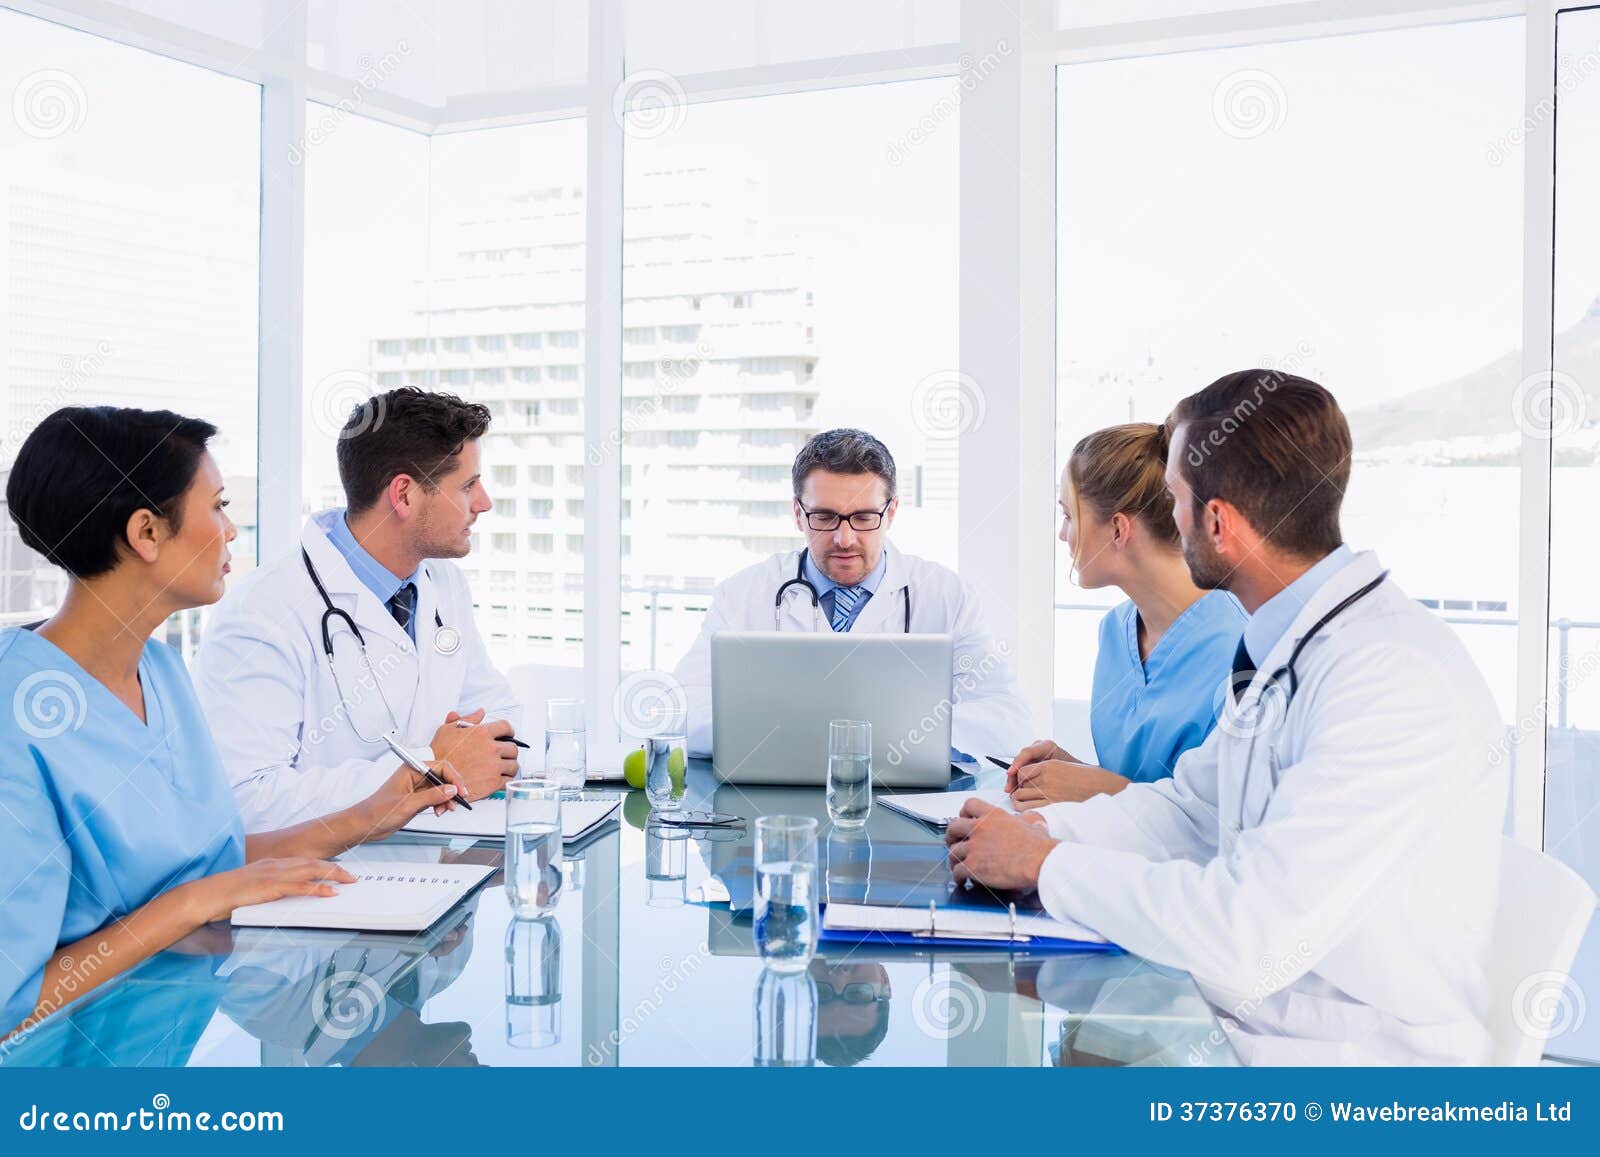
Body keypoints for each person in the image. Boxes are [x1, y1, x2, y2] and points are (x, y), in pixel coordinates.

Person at [945, 370, 1508, 1065]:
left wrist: (1048, 863)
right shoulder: (1286, 644)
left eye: (1175, 499)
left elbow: (1250, 937)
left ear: (1217, 521)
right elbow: (1188, 810)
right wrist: (1040, 829)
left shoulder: (1389, 678)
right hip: (1249, 1027)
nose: (1169, 518)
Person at [0, 407, 461, 1040]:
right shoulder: (16, 717)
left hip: (165, 1039)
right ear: (146, 533)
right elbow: (13, 1006)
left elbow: (212, 865)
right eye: (216, 507)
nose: (232, 530)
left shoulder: (161, 672)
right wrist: (194, 903)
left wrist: (369, 816)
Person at [193, 388, 524, 832]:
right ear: (403, 495)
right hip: (325, 882)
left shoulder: (442, 583)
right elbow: (245, 800)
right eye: (467, 485)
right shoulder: (261, 614)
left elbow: (497, 712)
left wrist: (466, 757)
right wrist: (431, 766)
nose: (484, 502)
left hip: (439, 863)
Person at [675, 428, 1034, 759]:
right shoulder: (741, 595)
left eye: (863, 518)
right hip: (772, 804)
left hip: (907, 802)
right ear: (798, 515)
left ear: (891, 512)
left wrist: (879, 733)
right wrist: (799, 731)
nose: (844, 539)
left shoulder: (947, 596)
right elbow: (681, 710)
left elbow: (1006, 720)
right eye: (825, 517)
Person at [1006, 423, 1244, 807]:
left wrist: (1098, 789)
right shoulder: (1116, 631)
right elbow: (1137, 788)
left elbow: (1225, 821)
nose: (1063, 535)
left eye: (1068, 516)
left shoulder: (1239, 647)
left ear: (1118, 530)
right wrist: (1076, 775)